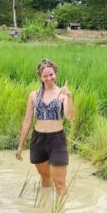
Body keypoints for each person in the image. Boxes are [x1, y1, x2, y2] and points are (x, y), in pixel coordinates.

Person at [16, 59, 74, 195]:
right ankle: (45, 206)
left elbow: (70, 116)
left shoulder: (62, 94)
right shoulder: (33, 95)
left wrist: (69, 96)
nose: (49, 78)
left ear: (55, 73)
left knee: (60, 184)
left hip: (57, 140)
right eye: (45, 76)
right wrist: (20, 145)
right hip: (38, 140)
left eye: (51, 74)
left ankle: (61, 209)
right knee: (46, 179)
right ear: (40, 77)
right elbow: (27, 121)